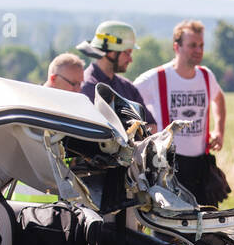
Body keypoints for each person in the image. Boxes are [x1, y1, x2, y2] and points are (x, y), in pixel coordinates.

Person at [134, 20, 226, 203]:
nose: (198, 50)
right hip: (167, 165)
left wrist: (219, 130)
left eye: (201, 45)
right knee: (169, 227)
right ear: (177, 47)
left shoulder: (206, 75)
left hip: (201, 165)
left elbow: (219, 98)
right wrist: (143, 133)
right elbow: (128, 98)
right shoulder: (156, 78)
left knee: (208, 225)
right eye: (192, 45)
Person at [76, 20, 155, 125]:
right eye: (127, 52)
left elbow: (151, 125)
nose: (130, 59)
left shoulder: (127, 87)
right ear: (111, 52)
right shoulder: (87, 87)